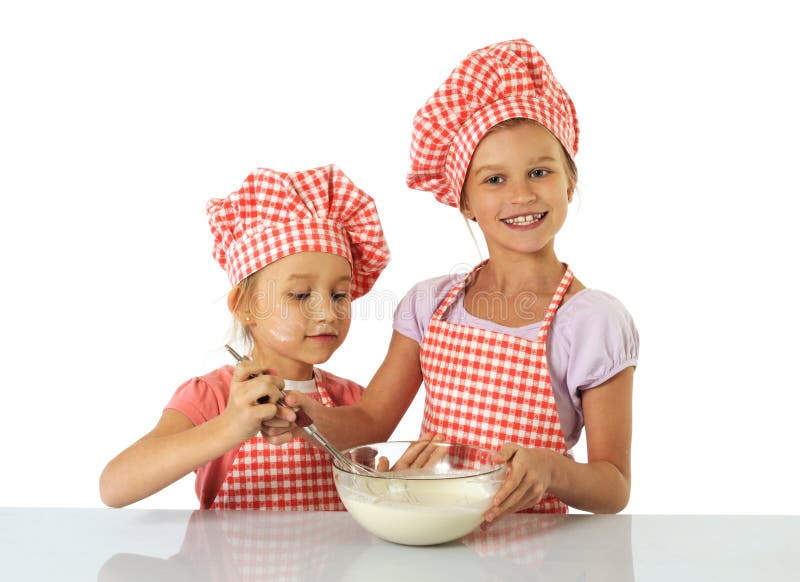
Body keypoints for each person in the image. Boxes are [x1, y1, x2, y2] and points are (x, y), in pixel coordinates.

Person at [267, 39, 639, 520]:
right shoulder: (431, 305)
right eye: (494, 179)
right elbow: (371, 420)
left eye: (539, 172)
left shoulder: (591, 321)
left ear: (569, 181)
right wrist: (307, 417)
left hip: (538, 549)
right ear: (464, 201)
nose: (521, 195)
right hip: (432, 534)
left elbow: (614, 486)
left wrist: (552, 470)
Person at [99, 164, 390, 510]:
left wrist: (381, 490)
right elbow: (114, 487)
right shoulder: (213, 397)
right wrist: (228, 427)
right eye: (300, 295)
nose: (328, 312)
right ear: (245, 306)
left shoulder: (354, 403)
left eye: (340, 295)